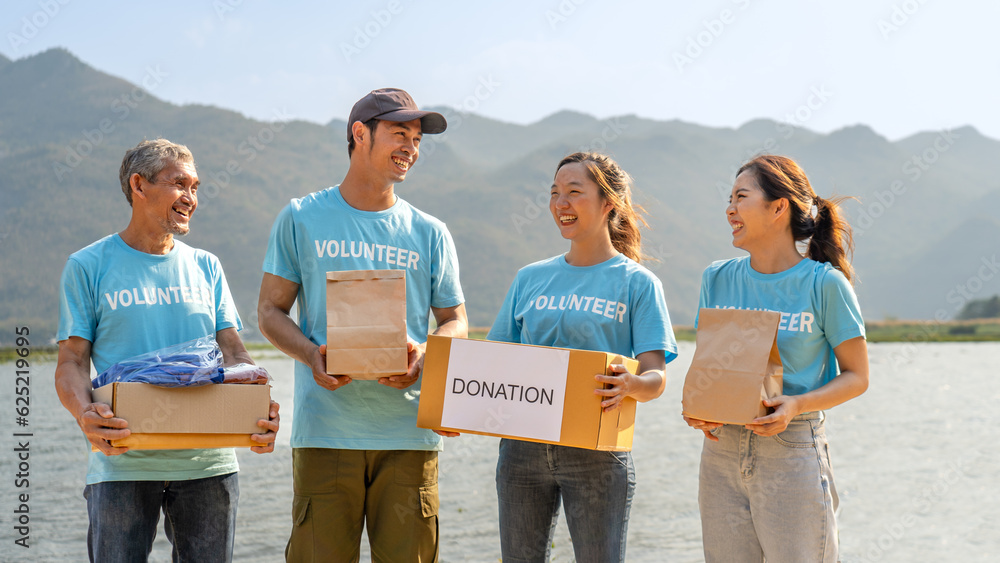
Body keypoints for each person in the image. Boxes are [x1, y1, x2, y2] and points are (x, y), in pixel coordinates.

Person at [257, 87, 467, 562]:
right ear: (360, 135)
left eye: (417, 139)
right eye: (400, 134)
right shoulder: (301, 217)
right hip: (325, 433)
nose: (411, 148)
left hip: (410, 434)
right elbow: (270, 312)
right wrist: (312, 354)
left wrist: (425, 352)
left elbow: (455, 320)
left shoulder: (429, 231)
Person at [54, 138, 281, 563]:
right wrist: (84, 414)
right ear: (138, 186)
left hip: (209, 466)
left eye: (195, 187)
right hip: (122, 461)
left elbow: (235, 356)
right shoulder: (88, 265)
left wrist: (258, 404)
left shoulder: (206, 266)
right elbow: (71, 362)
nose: (191, 198)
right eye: (180, 185)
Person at [487, 152, 677, 562]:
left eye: (574, 192)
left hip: (598, 450)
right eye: (554, 193)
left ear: (608, 203)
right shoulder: (529, 277)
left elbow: (655, 377)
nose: (560, 203)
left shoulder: (639, 283)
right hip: (522, 447)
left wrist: (631, 385)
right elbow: (494, 361)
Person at [684, 154, 870, 562]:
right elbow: (712, 369)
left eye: (741, 197)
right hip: (721, 454)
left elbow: (857, 376)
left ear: (778, 207)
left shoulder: (825, 284)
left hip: (793, 449)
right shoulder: (716, 278)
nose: (729, 208)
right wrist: (701, 409)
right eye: (729, 198)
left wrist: (796, 405)